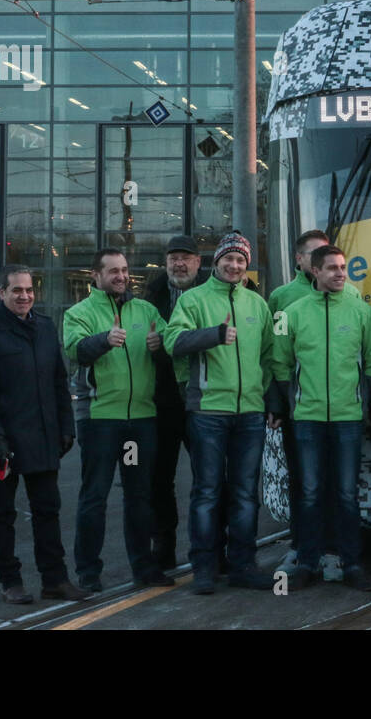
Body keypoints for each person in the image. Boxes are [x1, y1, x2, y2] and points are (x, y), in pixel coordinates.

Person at [0, 265, 89, 605]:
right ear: (1, 293)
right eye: (17, 290)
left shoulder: (45, 327)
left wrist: (66, 428)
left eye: (29, 290)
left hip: (42, 439)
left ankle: (55, 580)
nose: (24, 296)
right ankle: (10, 582)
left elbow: (59, 383)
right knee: (1, 514)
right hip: (0, 445)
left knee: (48, 510)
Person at [165, 231, 278, 594]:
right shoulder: (193, 300)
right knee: (207, 492)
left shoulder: (257, 304)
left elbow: (269, 356)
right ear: (216, 262)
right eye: (228, 258)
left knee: (245, 493)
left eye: (240, 260)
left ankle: (243, 565)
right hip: (208, 412)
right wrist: (213, 334)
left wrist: (265, 396)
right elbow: (172, 342)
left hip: (250, 413)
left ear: (247, 266)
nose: (234, 265)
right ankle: (204, 567)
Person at [270, 244, 371, 591]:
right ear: (315, 271)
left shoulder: (362, 312)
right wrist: (292, 404)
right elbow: (279, 362)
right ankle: (308, 562)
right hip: (308, 417)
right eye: (332, 268)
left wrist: (363, 404)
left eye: (343, 267)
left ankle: (351, 564)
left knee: (347, 493)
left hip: (348, 417)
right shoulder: (291, 312)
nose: (340, 273)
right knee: (310, 493)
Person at [63, 248, 173, 592]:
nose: (121, 276)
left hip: (140, 421)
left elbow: (171, 343)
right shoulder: (79, 313)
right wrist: (104, 340)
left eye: (124, 270)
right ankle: (88, 573)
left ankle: (144, 568)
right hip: (100, 420)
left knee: (139, 497)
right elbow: (74, 349)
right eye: (113, 271)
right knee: (94, 497)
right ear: (96, 276)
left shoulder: (146, 311)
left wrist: (160, 345)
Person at [266, 229, 349, 582]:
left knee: (335, 485)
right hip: (298, 409)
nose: (323, 260)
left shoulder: (350, 296)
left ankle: (333, 551)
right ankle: (300, 546)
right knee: (303, 484)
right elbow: (275, 355)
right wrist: (277, 403)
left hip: (341, 410)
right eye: (315, 254)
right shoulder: (281, 298)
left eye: (326, 253)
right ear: (301, 260)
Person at [143, 235, 210, 572]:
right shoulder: (151, 295)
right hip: (164, 400)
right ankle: (163, 550)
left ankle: (210, 550)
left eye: (186, 258)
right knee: (159, 478)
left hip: (205, 399)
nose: (179, 265)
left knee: (209, 479)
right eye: (173, 259)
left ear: (198, 262)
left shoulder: (214, 290)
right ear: (166, 263)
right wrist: (151, 347)